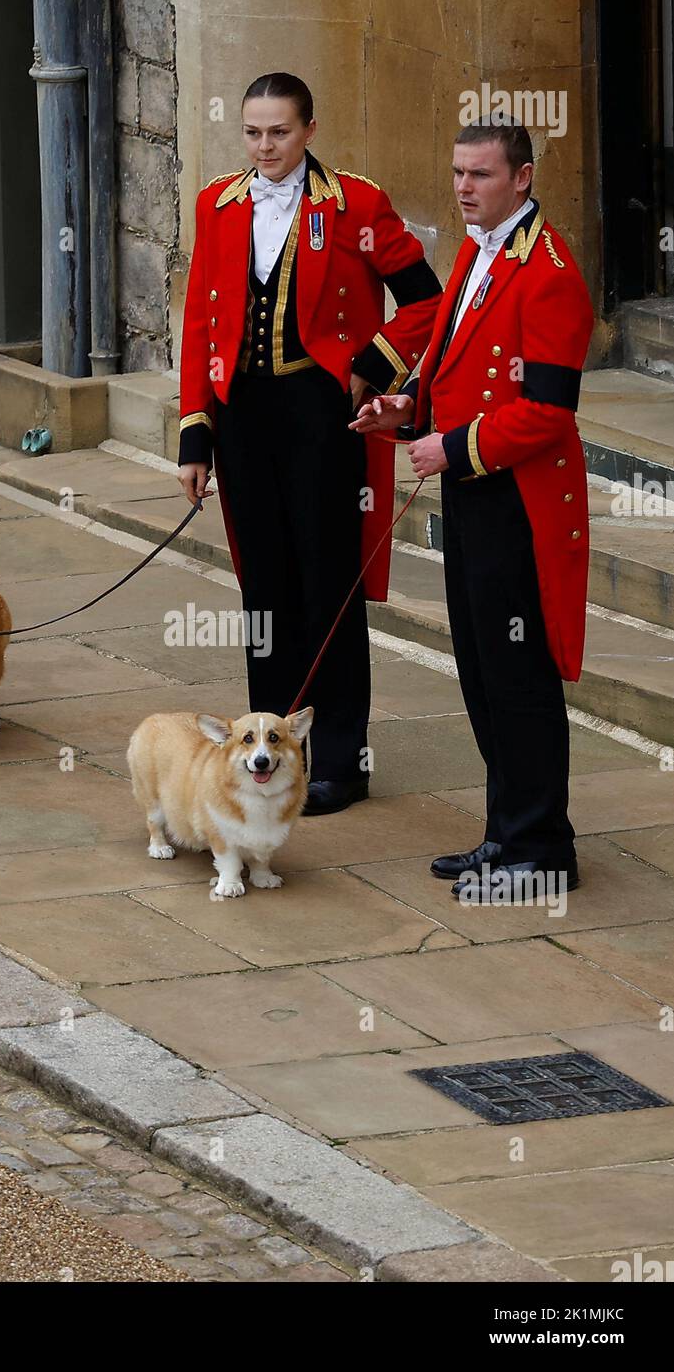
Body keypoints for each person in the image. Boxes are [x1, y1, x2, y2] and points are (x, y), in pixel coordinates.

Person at [177, 72, 442, 815]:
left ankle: (342, 763)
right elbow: (200, 322)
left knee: (329, 590)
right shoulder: (216, 204)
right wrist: (194, 435)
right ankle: (270, 755)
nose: (265, 147)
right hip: (244, 421)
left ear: (309, 131)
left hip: (323, 419)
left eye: (280, 132)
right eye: (253, 132)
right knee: (264, 588)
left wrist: (370, 368)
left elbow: (425, 299)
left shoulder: (355, 203)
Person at [353, 119, 594, 900]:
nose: (462, 188)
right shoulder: (474, 251)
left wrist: (452, 448)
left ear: (521, 179)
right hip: (474, 493)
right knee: (482, 670)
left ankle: (541, 850)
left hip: (518, 503)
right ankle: (504, 833)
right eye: (457, 172)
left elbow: (548, 410)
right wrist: (403, 409)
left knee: (518, 673)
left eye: (480, 175)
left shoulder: (549, 272)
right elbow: (452, 369)